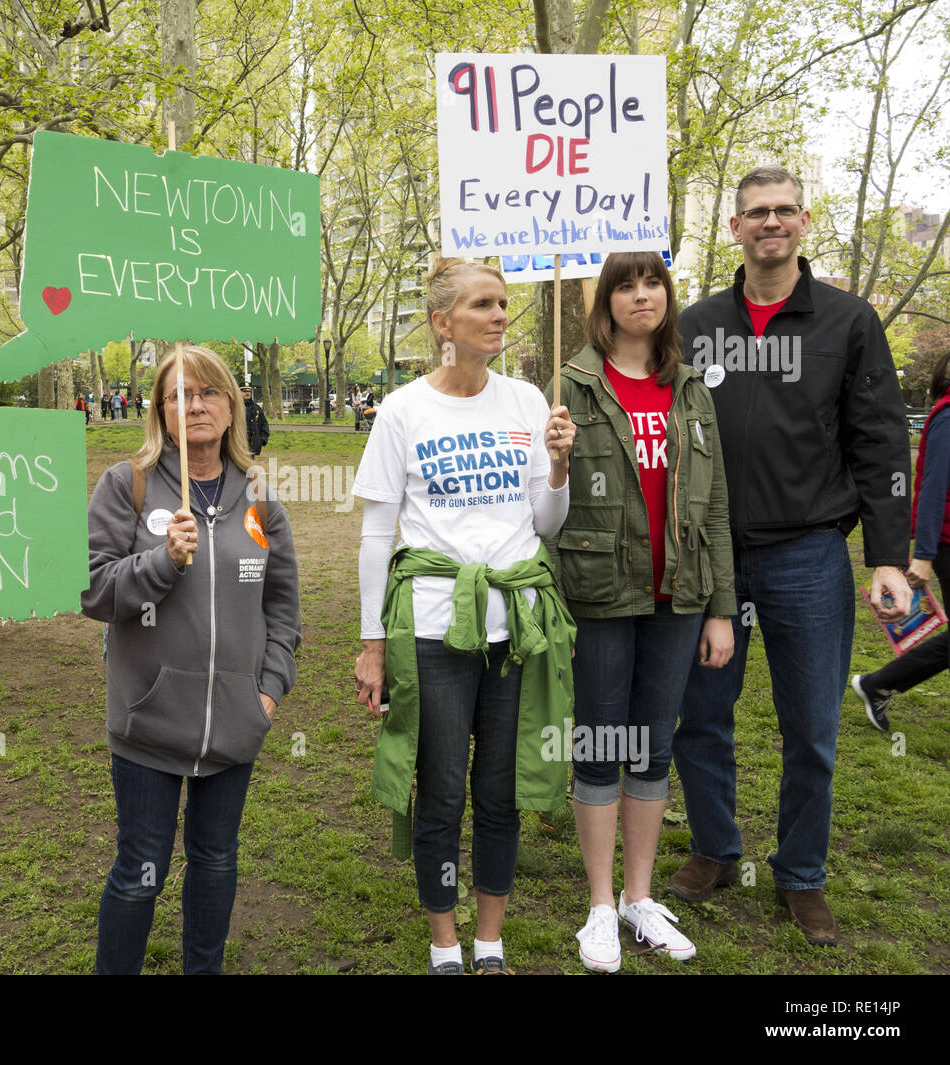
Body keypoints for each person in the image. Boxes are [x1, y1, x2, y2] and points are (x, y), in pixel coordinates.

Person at [669, 166, 911, 946]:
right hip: (713, 558)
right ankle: (714, 847)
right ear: (734, 228)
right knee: (701, 717)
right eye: (755, 213)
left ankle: (801, 873)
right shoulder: (697, 323)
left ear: (804, 222)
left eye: (783, 211)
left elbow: (879, 441)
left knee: (811, 724)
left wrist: (888, 556)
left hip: (809, 553)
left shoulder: (848, 320)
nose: (769, 223)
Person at [353, 257, 576, 975]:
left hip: (518, 626)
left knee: (502, 789)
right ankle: (443, 941)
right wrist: (371, 643)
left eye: (504, 303)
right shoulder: (403, 410)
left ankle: (491, 940)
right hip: (432, 628)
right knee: (443, 789)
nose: (500, 314)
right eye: (483, 303)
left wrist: (560, 469)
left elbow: (547, 522)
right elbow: (375, 535)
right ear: (443, 322)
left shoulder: (527, 401)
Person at [81, 345, 301, 974]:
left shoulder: (261, 499)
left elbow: (283, 605)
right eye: (180, 394)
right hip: (149, 720)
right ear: (161, 411)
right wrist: (161, 563)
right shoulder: (129, 485)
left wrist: (269, 688)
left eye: (209, 392)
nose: (196, 404)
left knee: (215, 859)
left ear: (233, 407)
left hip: (236, 719)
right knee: (140, 871)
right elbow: (94, 591)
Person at [552, 252, 736, 972]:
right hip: (599, 594)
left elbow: (714, 503)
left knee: (652, 745)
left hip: (678, 595)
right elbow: (547, 499)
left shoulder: (689, 388)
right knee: (601, 742)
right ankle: (599, 905)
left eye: (652, 282)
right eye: (625, 285)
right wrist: (557, 460)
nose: (641, 295)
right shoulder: (574, 382)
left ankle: (638, 896)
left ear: (667, 294)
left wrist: (721, 607)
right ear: (605, 301)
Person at [853, 351, 950, 729]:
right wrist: (923, 554)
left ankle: (878, 684)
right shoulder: (947, 416)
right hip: (944, 543)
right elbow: (931, 488)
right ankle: (878, 684)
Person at [241, 386, 270, 457]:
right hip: (237, 443)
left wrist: (262, 440)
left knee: (249, 466)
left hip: (251, 443)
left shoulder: (256, 408)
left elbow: (264, 424)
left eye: (249, 391)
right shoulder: (232, 407)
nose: (247, 393)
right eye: (244, 391)